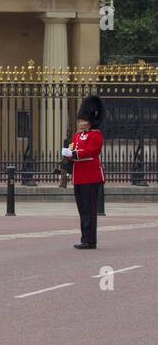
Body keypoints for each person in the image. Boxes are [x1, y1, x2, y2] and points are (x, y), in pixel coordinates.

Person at [66, 95, 106, 250]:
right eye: (80, 120)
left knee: (90, 210)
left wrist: (75, 154)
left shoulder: (96, 134)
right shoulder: (77, 136)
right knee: (82, 209)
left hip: (91, 177)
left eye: (84, 120)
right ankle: (84, 238)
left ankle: (90, 241)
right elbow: (73, 150)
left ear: (91, 120)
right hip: (79, 177)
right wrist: (68, 154)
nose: (81, 123)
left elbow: (92, 151)